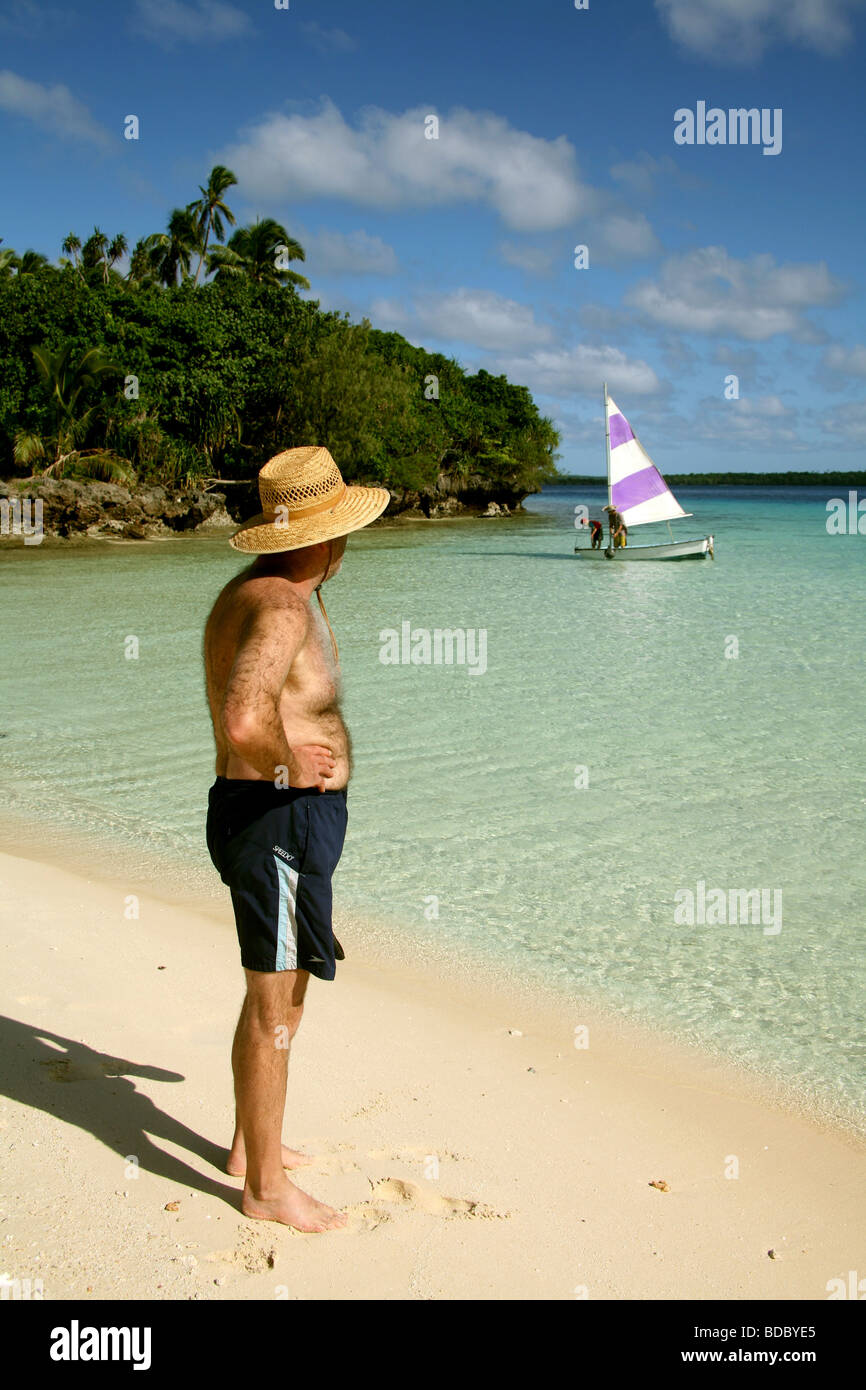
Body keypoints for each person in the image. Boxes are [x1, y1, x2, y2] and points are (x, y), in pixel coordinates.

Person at [203, 445, 389, 1231]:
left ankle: (254, 1150)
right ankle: (266, 1190)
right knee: (273, 998)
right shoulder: (281, 605)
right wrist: (294, 772)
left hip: (279, 820)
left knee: (288, 985)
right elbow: (244, 719)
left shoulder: (255, 592)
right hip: (275, 819)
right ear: (323, 534)